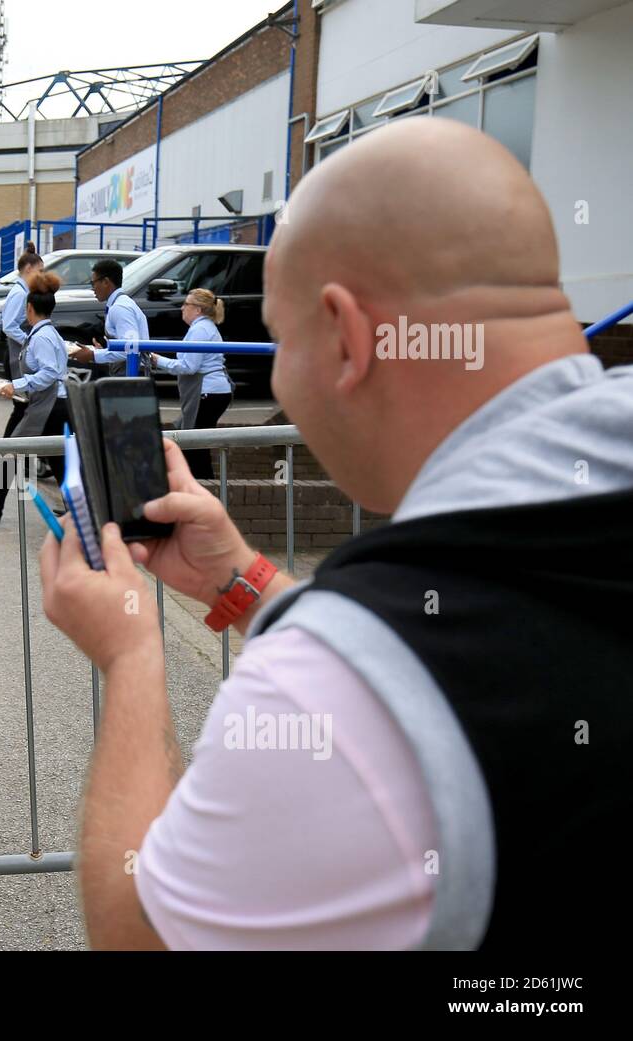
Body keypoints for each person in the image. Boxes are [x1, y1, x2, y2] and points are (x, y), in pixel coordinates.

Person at [38, 118, 633, 950]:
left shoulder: (332, 694)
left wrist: (131, 653)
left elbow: (141, 932)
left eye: (283, 340)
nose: (279, 371)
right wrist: (242, 581)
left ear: (348, 337)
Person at [0, 270, 69, 523]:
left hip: (48, 406)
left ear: (30, 308)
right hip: (52, 404)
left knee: (10, 453)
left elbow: (49, 372)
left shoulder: (42, 337)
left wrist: (19, 384)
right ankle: (79, 510)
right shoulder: (47, 333)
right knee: (59, 460)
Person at [147, 288, 233, 479]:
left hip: (207, 392)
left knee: (195, 447)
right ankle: (204, 486)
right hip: (212, 391)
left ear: (198, 309)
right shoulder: (204, 327)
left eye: (186, 304)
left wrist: (158, 360)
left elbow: (189, 367)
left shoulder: (200, 329)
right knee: (194, 444)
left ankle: (205, 486)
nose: (182, 308)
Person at [71, 259, 149, 375]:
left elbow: (130, 349)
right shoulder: (120, 304)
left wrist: (93, 355)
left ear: (106, 282)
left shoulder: (120, 308)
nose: (92, 288)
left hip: (130, 378)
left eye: (93, 283)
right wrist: (103, 351)